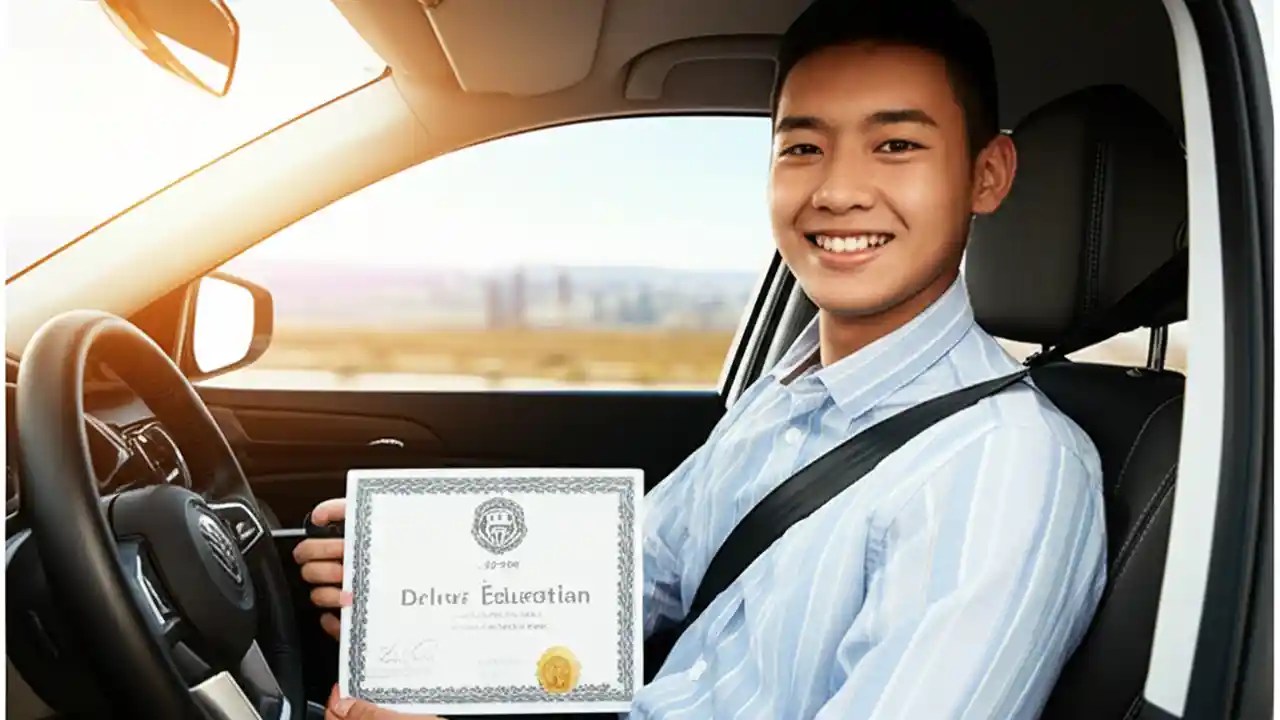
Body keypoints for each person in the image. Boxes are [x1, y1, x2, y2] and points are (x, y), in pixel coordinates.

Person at [295, 0, 1107, 717]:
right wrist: (419, 587)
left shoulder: (1004, 472)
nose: (837, 191)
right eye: (802, 149)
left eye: (895, 144)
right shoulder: (787, 388)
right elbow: (641, 567)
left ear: (987, 174)